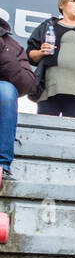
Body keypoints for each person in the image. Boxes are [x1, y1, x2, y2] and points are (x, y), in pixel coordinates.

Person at [0, 15, 35, 188]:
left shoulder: (9, 43)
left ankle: (2, 166)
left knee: (6, 90)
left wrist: (2, 53)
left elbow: (27, 82)